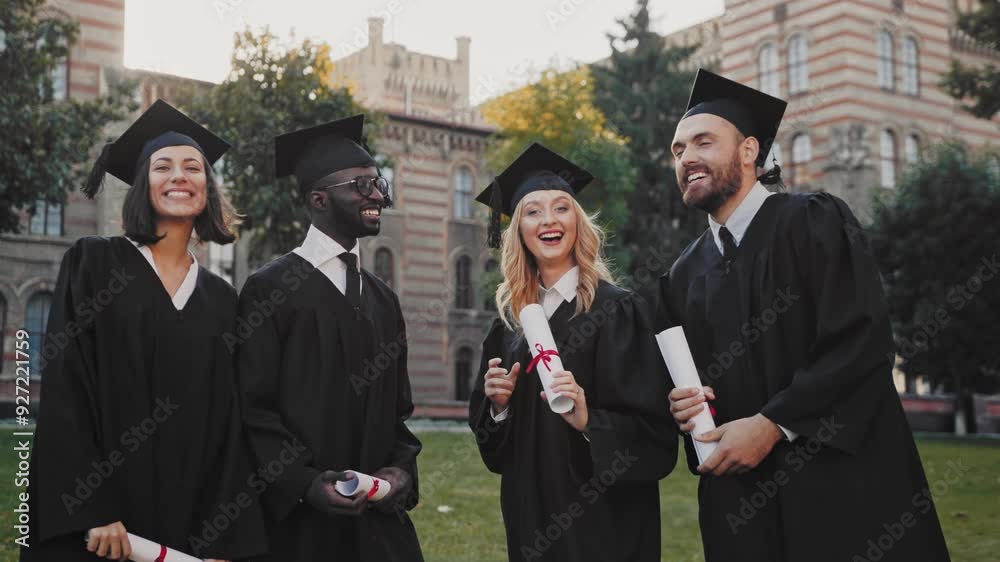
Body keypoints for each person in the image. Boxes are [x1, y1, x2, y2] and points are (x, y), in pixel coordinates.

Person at [658, 69, 950, 562]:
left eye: (704, 142)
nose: (687, 158)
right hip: (741, 502)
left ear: (748, 151)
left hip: (838, 485)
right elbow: (696, 387)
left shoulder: (813, 221)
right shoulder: (683, 274)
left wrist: (773, 424)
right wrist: (686, 405)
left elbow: (862, 342)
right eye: (678, 150)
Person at [21, 100, 267, 562]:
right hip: (102, 529)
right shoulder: (94, 263)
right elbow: (67, 387)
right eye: (162, 166)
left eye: (193, 167)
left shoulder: (222, 299)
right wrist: (91, 506)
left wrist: (224, 535)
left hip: (188, 525)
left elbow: (228, 424)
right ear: (142, 184)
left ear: (208, 188)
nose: (179, 176)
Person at [468, 143, 678, 562]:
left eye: (561, 208)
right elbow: (495, 454)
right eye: (533, 211)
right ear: (519, 232)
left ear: (577, 223)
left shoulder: (619, 311)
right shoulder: (508, 327)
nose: (549, 219)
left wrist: (588, 420)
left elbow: (656, 435)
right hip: (530, 517)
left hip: (603, 523)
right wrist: (499, 408)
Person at [238, 114, 423, 562]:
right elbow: (252, 410)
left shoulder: (383, 299)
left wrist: (400, 473)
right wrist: (303, 483)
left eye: (379, 183)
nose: (377, 195)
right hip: (300, 529)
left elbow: (398, 412)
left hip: (377, 526)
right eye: (362, 185)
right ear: (319, 199)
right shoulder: (270, 289)